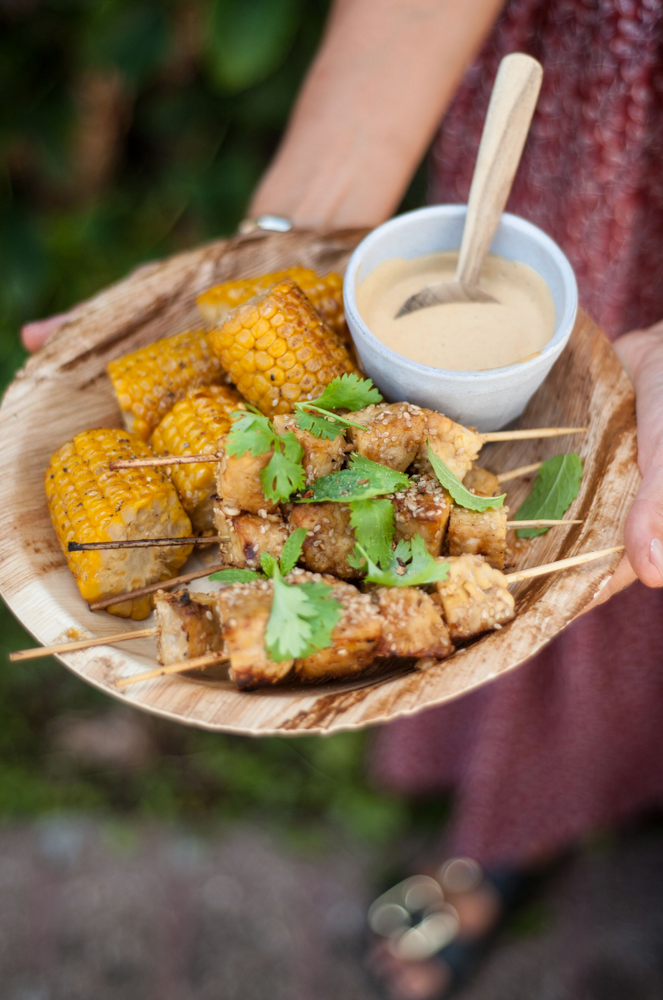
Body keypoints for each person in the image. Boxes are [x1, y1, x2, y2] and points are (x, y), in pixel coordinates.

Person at [23, 1, 663, 996]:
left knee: (613, 631)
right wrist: (287, 232)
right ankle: (488, 827)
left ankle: (550, 827)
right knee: (457, 652)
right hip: (549, 160)